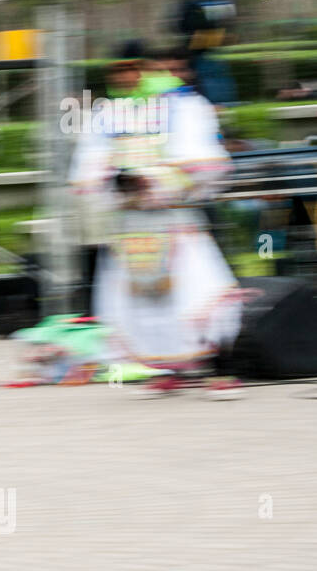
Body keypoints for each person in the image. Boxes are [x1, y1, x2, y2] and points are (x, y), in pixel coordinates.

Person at [70, 51, 244, 397]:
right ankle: (167, 368)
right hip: (131, 226)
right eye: (117, 71)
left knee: (202, 291)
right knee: (145, 303)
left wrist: (157, 180)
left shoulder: (185, 106)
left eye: (131, 69)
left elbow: (204, 163)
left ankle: (222, 370)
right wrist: (114, 181)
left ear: (147, 70)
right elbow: (89, 167)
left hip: (177, 220)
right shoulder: (105, 114)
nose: (125, 77)